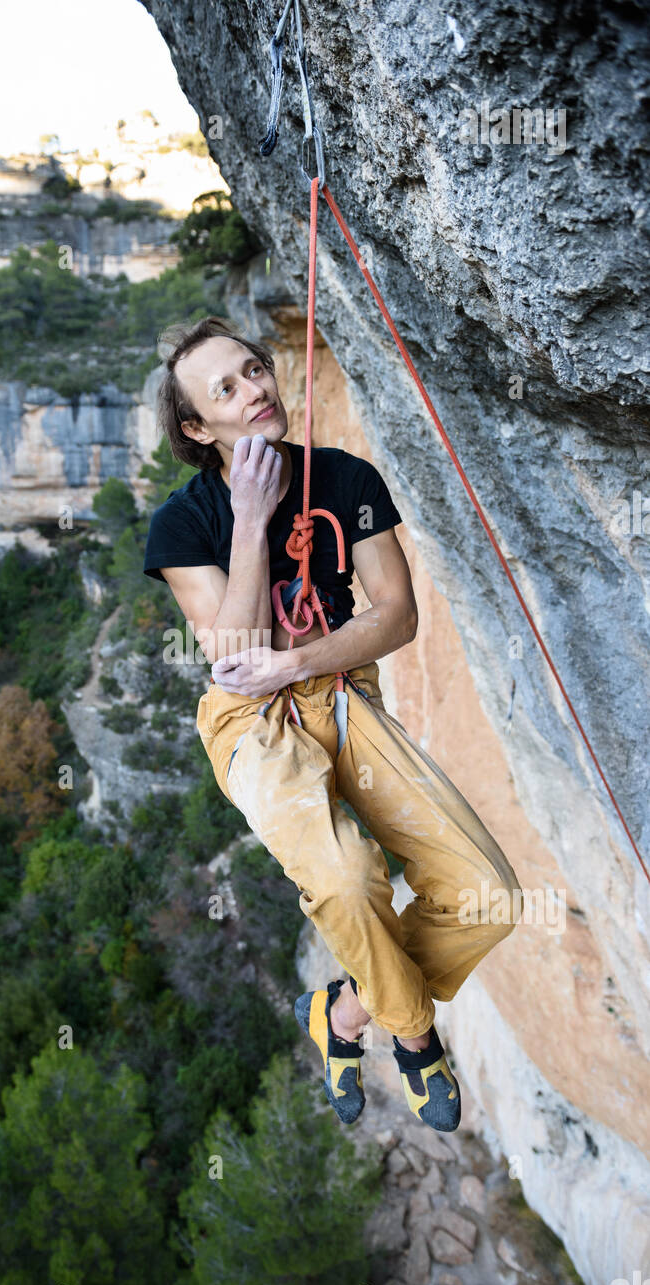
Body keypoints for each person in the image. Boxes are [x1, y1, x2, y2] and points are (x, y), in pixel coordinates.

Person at [143, 315, 523, 1131]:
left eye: (255, 371)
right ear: (194, 428)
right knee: (348, 877)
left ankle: (344, 1014)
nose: (255, 391)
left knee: (488, 897)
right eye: (226, 389)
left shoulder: (345, 479)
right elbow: (237, 655)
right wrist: (251, 517)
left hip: (341, 690)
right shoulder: (182, 526)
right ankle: (416, 1039)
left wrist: (302, 661)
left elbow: (397, 616)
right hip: (253, 724)